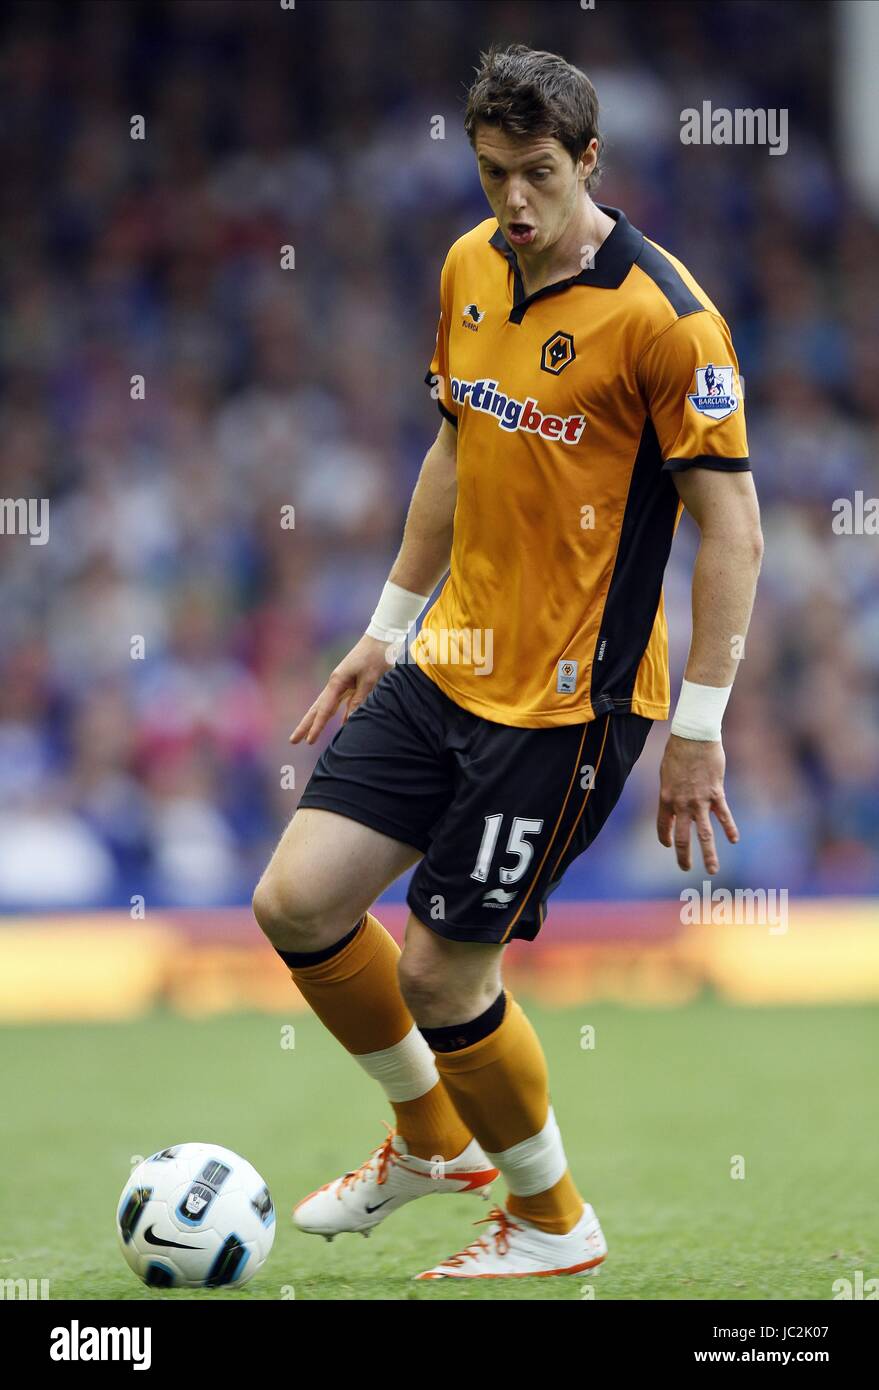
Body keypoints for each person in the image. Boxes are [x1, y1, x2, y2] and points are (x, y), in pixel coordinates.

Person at [253, 43, 763, 1280]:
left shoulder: (667, 318)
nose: (516, 203)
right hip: (448, 661)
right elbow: (452, 450)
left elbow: (733, 530)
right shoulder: (469, 265)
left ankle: (553, 1220)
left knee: (439, 967)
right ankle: (433, 1144)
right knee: (299, 901)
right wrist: (385, 626)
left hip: (566, 707)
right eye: (494, 174)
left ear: (589, 160)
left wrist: (699, 725)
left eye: (539, 173)